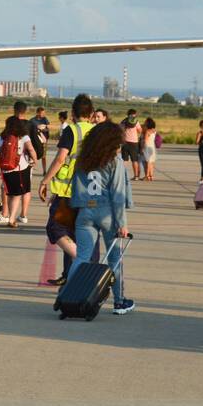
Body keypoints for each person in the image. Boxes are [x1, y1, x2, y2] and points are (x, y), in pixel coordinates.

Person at [68, 120, 136, 314]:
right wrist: (122, 223)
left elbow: (76, 187)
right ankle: (119, 301)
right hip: (107, 212)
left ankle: (71, 295)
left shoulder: (83, 159)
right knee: (114, 259)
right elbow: (117, 194)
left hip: (85, 210)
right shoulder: (115, 161)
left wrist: (79, 207)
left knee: (81, 257)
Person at [38, 94, 97, 286]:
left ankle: (85, 264)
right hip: (91, 191)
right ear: (92, 113)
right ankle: (70, 274)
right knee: (78, 233)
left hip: (69, 192)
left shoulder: (72, 131)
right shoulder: (97, 132)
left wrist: (45, 180)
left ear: (73, 113)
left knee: (55, 228)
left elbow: (61, 158)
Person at [0, 117, 37, 228]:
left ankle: (11, 217)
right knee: (17, 195)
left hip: (6, 169)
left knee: (10, 194)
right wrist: (35, 160)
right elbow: (31, 149)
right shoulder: (23, 136)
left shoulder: (3, 136)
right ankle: (12, 219)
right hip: (20, 168)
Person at [120, 109, 143, 180]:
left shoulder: (124, 121)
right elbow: (140, 131)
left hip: (125, 142)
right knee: (134, 160)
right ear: (134, 114)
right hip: (134, 143)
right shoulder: (136, 121)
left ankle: (122, 175)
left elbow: (120, 130)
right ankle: (136, 176)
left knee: (125, 160)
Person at [140, 117, 158, 181]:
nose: (144, 123)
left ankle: (147, 176)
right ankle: (151, 176)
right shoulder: (154, 130)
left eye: (145, 122)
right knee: (151, 162)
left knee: (147, 162)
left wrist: (142, 148)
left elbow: (145, 141)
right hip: (152, 147)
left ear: (148, 123)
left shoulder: (147, 131)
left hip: (147, 147)